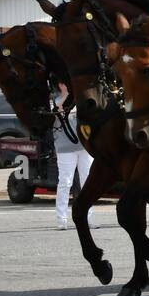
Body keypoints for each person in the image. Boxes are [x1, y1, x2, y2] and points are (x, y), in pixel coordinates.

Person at [52, 82, 94, 231]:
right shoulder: (55, 101)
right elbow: (58, 111)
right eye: (63, 84)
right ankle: (61, 219)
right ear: (59, 85)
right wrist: (66, 96)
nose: (66, 86)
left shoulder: (80, 99)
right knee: (65, 182)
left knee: (87, 181)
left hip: (84, 146)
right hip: (65, 148)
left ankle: (88, 218)